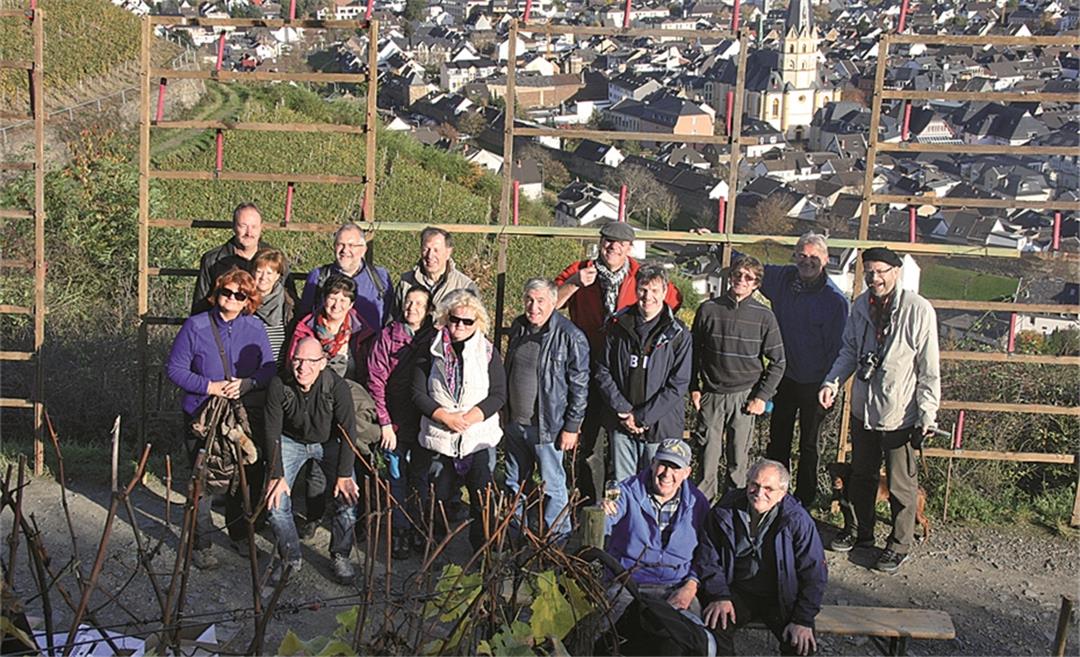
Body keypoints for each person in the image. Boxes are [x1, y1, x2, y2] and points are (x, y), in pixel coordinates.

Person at [819, 247, 940, 573]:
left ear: (896, 272)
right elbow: (849, 350)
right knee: (862, 476)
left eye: (881, 271)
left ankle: (899, 544)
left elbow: (929, 368)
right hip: (863, 409)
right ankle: (861, 533)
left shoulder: (918, 310)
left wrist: (927, 412)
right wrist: (832, 382)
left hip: (901, 414)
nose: (875, 278)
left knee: (901, 484)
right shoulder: (860, 307)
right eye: (870, 272)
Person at [555, 222, 681, 505]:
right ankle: (591, 504)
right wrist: (574, 283)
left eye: (620, 243)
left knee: (624, 442)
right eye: (608, 241)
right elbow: (549, 303)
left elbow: (671, 303)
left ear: (629, 248)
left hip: (626, 371)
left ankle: (630, 503)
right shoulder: (580, 268)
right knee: (590, 441)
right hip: (586, 368)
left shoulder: (640, 274)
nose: (612, 247)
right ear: (600, 242)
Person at [167, 268, 275, 570]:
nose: (231, 298)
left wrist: (248, 383)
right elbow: (175, 369)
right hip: (202, 414)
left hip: (241, 416)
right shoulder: (195, 326)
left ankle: (240, 535)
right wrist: (208, 386)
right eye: (226, 292)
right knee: (201, 479)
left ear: (248, 300)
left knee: (244, 479)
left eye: (239, 295)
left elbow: (268, 368)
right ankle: (201, 543)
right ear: (217, 293)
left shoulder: (255, 328)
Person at [695, 459, 827, 656]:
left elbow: (815, 572)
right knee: (713, 630)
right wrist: (718, 595)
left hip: (781, 596)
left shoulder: (797, 519)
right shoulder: (726, 509)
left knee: (801, 644)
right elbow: (708, 555)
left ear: (782, 493)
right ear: (747, 483)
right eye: (754, 485)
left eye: (768, 488)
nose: (759, 493)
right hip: (737, 591)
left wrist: (803, 619)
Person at [411, 290, 506, 551]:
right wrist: (445, 417)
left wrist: (469, 418)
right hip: (441, 435)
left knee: (482, 497)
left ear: (478, 323)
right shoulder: (430, 349)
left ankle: (482, 548)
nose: (460, 326)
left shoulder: (488, 352)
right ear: (445, 318)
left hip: (477, 436)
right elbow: (418, 392)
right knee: (437, 497)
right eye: (454, 319)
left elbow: (499, 394)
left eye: (467, 321)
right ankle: (435, 547)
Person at [760, 233, 848, 508]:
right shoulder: (784, 279)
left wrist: (830, 385)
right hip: (785, 376)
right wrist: (718, 246)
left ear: (825, 259)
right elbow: (751, 268)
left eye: (813, 257)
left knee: (809, 445)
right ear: (795, 256)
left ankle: (804, 500)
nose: (806, 261)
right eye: (801, 255)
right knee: (778, 440)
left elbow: (838, 348)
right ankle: (774, 494)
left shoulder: (834, 300)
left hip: (815, 383)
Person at [264, 337, 361, 584]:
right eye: (297, 359)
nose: (302, 367)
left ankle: (340, 554)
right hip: (289, 441)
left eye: (310, 361)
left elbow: (349, 431)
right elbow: (271, 431)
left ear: (322, 363)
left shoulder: (337, 387)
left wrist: (343, 474)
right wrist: (276, 475)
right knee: (276, 503)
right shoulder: (279, 385)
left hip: (329, 443)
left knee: (348, 497)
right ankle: (290, 557)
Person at [690, 255, 786, 502]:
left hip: (745, 397)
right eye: (737, 274)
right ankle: (702, 516)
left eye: (748, 277)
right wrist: (694, 387)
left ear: (756, 284)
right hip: (712, 393)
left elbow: (778, 362)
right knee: (706, 462)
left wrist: (762, 396)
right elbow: (694, 352)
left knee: (738, 464)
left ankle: (734, 514)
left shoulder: (764, 317)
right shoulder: (709, 309)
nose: (741, 280)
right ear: (730, 276)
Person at [503, 278, 590, 543]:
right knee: (514, 484)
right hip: (516, 424)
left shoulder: (570, 336)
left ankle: (556, 540)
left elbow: (580, 385)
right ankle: (516, 537)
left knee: (553, 485)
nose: (534, 307)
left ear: (554, 302)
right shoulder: (519, 327)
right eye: (529, 300)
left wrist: (571, 426)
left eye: (541, 301)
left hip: (548, 426)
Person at [594, 265, 692, 482]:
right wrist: (623, 409)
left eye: (655, 291)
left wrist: (642, 417)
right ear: (636, 290)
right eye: (643, 290)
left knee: (658, 486)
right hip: (622, 424)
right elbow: (603, 370)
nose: (648, 297)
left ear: (665, 292)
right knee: (624, 486)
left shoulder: (678, 333)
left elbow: (679, 382)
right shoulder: (617, 325)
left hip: (661, 428)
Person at [365, 285, 434, 558]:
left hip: (426, 421)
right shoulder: (387, 337)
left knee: (421, 476)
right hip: (394, 421)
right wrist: (384, 421)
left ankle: (420, 526)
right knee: (396, 478)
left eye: (419, 303)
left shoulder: (435, 338)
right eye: (409, 302)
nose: (412, 308)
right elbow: (376, 379)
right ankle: (400, 530)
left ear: (428, 310)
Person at [601, 438, 708, 614]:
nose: (667, 473)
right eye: (663, 464)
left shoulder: (698, 502)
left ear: (687, 472)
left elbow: (706, 552)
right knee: (598, 628)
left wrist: (691, 585)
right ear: (652, 463)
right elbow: (609, 516)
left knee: (697, 636)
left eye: (675, 467)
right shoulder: (627, 491)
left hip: (676, 585)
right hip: (628, 582)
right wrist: (603, 511)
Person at [192, 203, 287, 314]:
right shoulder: (213, 260)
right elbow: (201, 305)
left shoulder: (276, 259)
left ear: (261, 227)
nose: (249, 233)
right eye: (243, 226)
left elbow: (288, 298)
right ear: (234, 226)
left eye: (254, 227)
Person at [297, 223, 393, 333]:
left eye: (351, 245)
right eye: (340, 244)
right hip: (327, 346)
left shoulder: (380, 277)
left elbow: (390, 318)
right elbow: (304, 320)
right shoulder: (318, 277)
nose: (345, 250)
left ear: (363, 249)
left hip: (371, 347)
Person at [394, 227, 479, 312]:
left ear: (448, 252)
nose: (430, 255)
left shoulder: (464, 286)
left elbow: (479, 322)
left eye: (436, 250)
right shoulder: (405, 283)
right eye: (426, 249)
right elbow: (393, 320)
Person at [252, 248, 296, 368]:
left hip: (281, 371)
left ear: (278, 275)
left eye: (269, 273)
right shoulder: (242, 301)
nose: (263, 277)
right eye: (259, 271)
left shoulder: (289, 303)